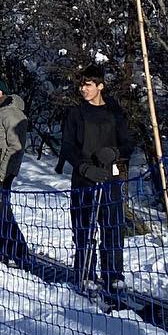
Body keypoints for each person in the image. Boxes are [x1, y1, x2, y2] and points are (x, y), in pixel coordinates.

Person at [58, 69, 132, 298]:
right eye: (81, 85)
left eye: (88, 84)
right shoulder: (75, 114)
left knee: (113, 228)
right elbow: (67, 146)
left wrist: (114, 152)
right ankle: (85, 273)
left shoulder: (115, 112)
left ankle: (114, 276)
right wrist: (83, 167)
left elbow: (128, 144)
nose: (83, 89)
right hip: (84, 178)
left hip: (110, 177)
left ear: (100, 86)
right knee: (84, 228)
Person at [0, 77, 30, 267]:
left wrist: (3, 173)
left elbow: (15, 147)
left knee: (2, 213)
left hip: (2, 173)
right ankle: (5, 249)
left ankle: (19, 253)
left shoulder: (11, 114)